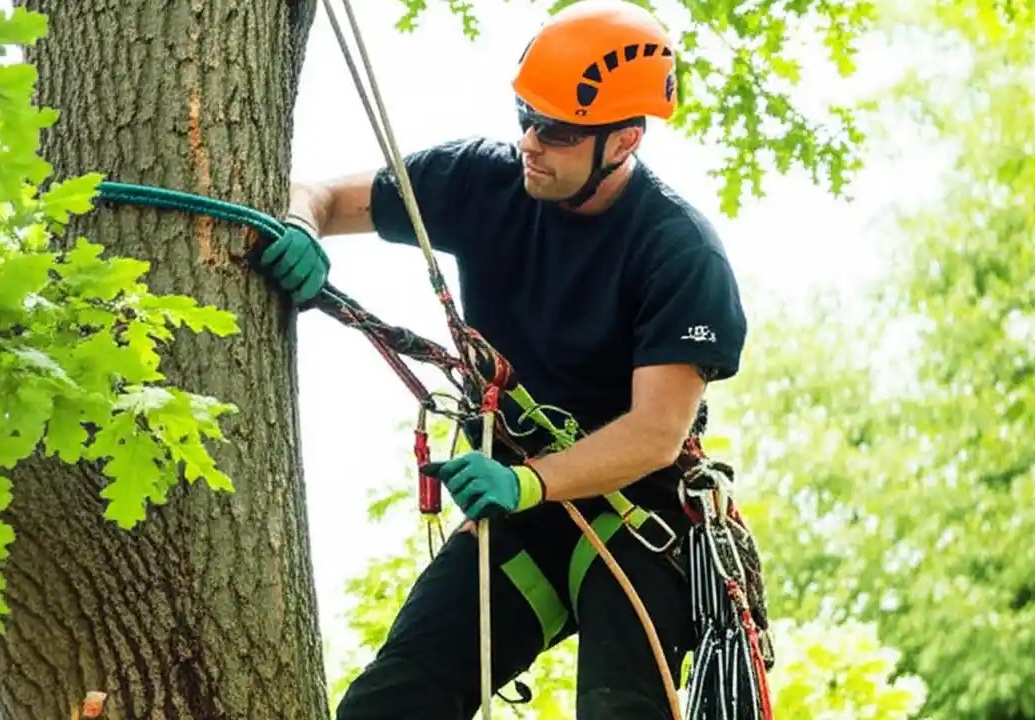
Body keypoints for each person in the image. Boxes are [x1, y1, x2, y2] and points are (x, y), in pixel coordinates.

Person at [258, 1, 748, 717]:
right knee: (390, 704)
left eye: (554, 130)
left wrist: (524, 482)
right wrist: (302, 227)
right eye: (524, 115)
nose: (529, 141)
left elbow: (655, 432)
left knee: (621, 711)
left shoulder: (678, 252)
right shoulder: (482, 183)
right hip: (523, 528)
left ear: (623, 141)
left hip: (634, 521)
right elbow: (325, 195)